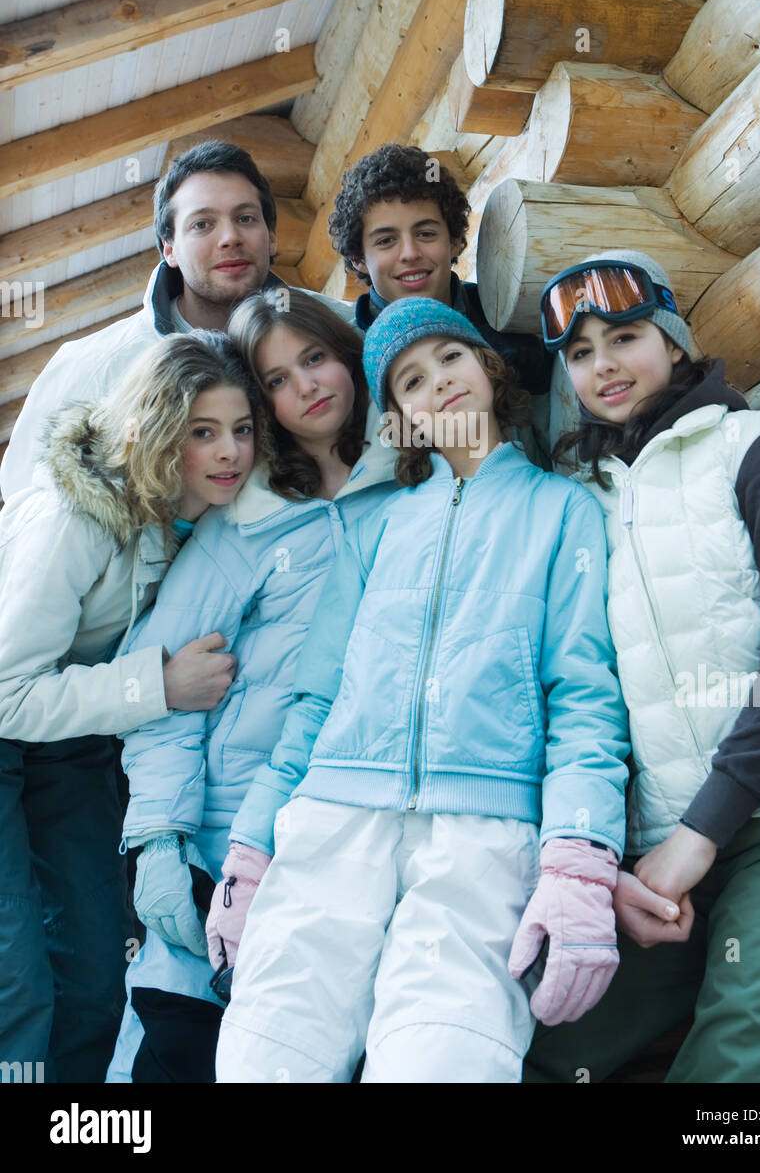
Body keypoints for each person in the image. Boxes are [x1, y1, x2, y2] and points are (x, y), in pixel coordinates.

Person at [213, 296, 630, 1084]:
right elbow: (316, 699)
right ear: (397, 414)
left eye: (450, 358)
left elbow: (584, 697)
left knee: (442, 1062)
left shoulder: (562, 510)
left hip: (484, 835)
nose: (436, 382)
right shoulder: (372, 528)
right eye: (409, 379)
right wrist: (251, 844)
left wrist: (578, 854)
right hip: (334, 823)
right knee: (264, 1059)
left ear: (488, 368)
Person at [524, 249, 760, 1083]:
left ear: (673, 343)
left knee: (741, 1083)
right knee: (536, 1049)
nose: (602, 364)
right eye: (579, 353)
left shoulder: (751, 448)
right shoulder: (584, 498)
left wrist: (698, 836)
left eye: (626, 336)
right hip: (660, 852)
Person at [106, 289, 398, 1084]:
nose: (305, 386)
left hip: (353, 842)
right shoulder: (248, 523)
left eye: (315, 358)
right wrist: (160, 837)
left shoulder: (414, 496)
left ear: (349, 356)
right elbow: (166, 691)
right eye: (276, 379)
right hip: (220, 840)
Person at [0, 331, 262, 1083]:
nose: (229, 453)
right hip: (14, 715)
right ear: (152, 432)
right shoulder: (70, 521)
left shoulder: (194, 519)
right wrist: (159, 687)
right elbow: (7, 692)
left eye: (240, 430)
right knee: (16, 976)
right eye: (202, 433)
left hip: (70, 737)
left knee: (92, 964)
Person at [1, 140, 290, 501]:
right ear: (169, 248)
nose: (230, 238)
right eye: (202, 224)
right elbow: (25, 499)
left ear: (273, 237)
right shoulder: (92, 365)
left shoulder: (331, 338)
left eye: (245, 218)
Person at [329, 142, 553, 460]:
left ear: (455, 240)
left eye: (426, 234)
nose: (409, 253)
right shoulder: (343, 352)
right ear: (358, 259)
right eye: (386, 241)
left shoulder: (511, 325)